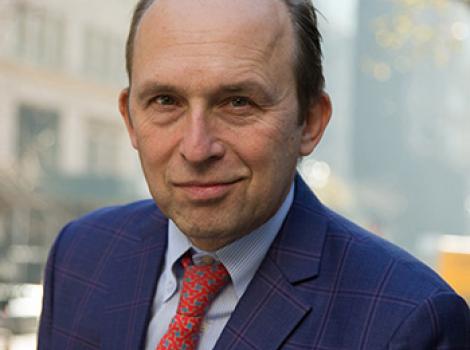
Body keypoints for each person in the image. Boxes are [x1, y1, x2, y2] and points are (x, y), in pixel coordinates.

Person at [38, 0, 470, 349]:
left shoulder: (411, 321)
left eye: (238, 102)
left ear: (311, 122)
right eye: (166, 100)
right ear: (130, 120)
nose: (196, 147)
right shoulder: (80, 254)